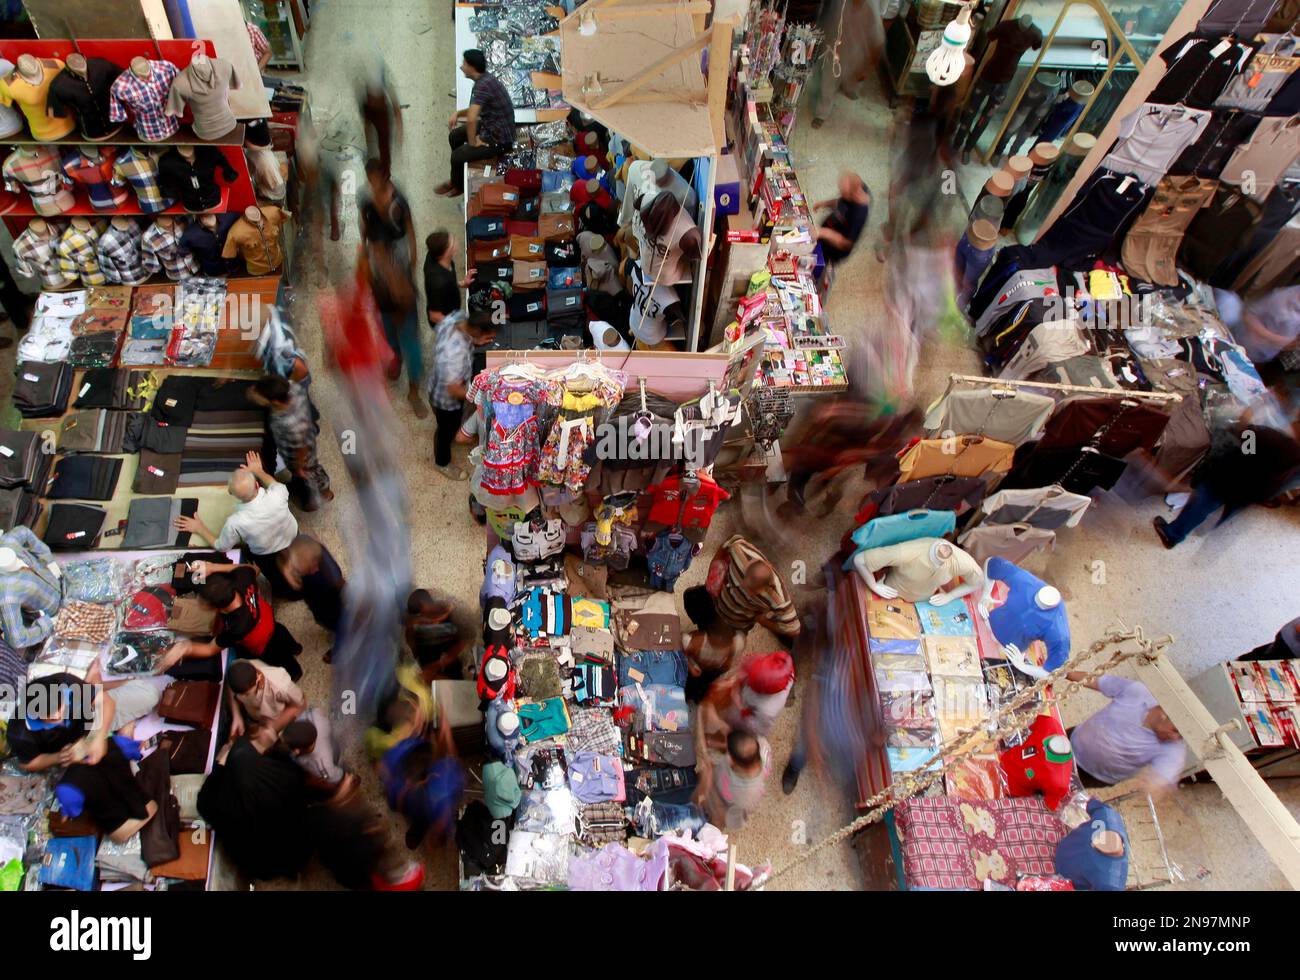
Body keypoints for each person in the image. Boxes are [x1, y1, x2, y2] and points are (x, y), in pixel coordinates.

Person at [6, 672, 157, 842]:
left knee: (149, 695)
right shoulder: (19, 731)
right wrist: (59, 757)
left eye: (60, 710)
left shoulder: (66, 684)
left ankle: (112, 715)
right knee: (85, 782)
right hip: (65, 758)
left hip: (93, 727)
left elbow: (105, 702)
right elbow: (29, 763)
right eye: (50, 718)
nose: (58, 718)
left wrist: (97, 738)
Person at [1153, 422, 1300, 548]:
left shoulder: (1279, 442)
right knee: (1221, 505)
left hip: (1231, 479)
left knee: (1202, 501)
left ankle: (1172, 534)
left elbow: (1248, 444)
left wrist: (1246, 422)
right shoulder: (1294, 459)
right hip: (1252, 490)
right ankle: (1208, 524)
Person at [174, 451, 299, 594]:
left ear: (230, 493)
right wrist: (257, 470)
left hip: (267, 557)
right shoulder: (279, 493)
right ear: (257, 485)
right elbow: (272, 483)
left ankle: (287, 593)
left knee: (281, 582)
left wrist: (199, 527)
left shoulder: (236, 522)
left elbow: (222, 546)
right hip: (296, 539)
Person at [359, 159, 426, 417]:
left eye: (377, 177)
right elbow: (364, 228)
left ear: (386, 176)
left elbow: (409, 227)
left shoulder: (399, 201)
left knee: (410, 337)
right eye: (370, 178)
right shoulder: (367, 203)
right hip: (380, 277)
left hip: (398, 267)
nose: (373, 182)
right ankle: (394, 358)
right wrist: (365, 253)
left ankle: (414, 390)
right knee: (386, 328)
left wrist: (412, 257)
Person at [157, 564, 304, 680]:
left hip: (262, 643)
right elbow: (253, 569)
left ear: (218, 608)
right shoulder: (242, 578)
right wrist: (212, 567)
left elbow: (210, 649)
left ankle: (295, 672)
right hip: (267, 617)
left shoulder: (236, 626)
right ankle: (295, 648)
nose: (198, 602)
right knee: (280, 633)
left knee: (280, 657)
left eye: (203, 603)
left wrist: (185, 647)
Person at [1066, 672, 1186, 795]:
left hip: (1091, 775)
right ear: (1165, 713)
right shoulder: (1137, 692)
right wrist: (1063, 673)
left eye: (1181, 737)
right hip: (1071, 741)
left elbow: (1162, 778)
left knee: (1056, 787)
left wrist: (1154, 784)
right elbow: (1098, 681)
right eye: (1175, 730)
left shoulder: (1174, 750)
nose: (1175, 738)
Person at [379, 708, 466, 850]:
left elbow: (383, 766)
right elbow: (452, 760)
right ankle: (416, 836)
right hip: (422, 810)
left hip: (410, 804)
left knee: (417, 821)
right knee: (421, 822)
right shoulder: (441, 791)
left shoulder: (401, 766)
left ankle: (415, 836)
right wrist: (446, 734)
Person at [436, 49, 517, 198]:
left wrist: (473, 142)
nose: (461, 67)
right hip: (491, 125)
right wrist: (458, 113)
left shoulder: (482, 86)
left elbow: (473, 118)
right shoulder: (484, 80)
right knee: (455, 136)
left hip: (500, 139)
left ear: (472, 67)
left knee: (457, 157)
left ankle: (458, 185)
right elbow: (475, 109)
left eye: (464, 64)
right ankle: (457, 177)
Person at [249, 375, 333, 511]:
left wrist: (298, 466)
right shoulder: (292, 387)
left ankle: (324, 493)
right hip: (300, 440)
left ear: (275, 401)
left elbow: (302, 448)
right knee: (303, 474)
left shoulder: (290, 424)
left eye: (261, 396)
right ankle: (307, 485)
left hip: (300, 455)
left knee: (311, 472)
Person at [429, 308, 495, 480]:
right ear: (477, 332)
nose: (490, 341)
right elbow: (453, 389)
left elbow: (435, 315)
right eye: (488, 338)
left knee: (451, 422)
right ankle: (442, 462)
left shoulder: (457, 318)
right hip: (446, 401)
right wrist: (478, 394)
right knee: (446, 429)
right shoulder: (455, 355)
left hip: (437, 380)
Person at [712, 534, 802, 643]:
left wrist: (763, 621)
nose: (743, 588)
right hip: (716, 601)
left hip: (736, 624)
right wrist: (714, 566)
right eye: (743, 581)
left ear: (765, 589)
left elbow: (794, 629)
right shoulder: (740, 551)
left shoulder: (778, 597)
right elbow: (730, 541)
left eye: (750, 590)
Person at [694, 729, 771, 833]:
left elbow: (723, 816)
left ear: (732, 761)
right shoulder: (762, 745)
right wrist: (718, 745)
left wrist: (705, 786)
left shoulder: (747, 796)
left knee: (714, 823)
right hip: (719, 781)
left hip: (722, 805)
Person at [279, 533, 346, 649]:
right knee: (323, 621)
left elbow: (344, 588)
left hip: (334, 609)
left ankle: (339, 648)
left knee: (341, 629)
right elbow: (282, 557)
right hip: (317, 605)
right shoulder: (297, 560)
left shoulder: (331, 574)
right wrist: (286, 570)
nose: (315, 569)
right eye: (307, 569)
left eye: (315, 562)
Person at [225, 658, 305, 749]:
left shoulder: (281, 685)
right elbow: (230, 687)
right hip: (255, 717)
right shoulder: (238, 668)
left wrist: (273, 727)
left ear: (258, 678)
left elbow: (300, 703)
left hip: (275, 718)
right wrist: (237, 716)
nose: (242, 697)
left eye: (246, 694)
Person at [682, 585, 745, 702]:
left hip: (696, 671)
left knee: (690, 684)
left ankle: (687, 694)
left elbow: (683, 650)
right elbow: (728, 665)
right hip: (714, 671)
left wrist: (691, 666)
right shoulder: (736, 641)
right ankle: (699, 696)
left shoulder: (695, 641)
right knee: (704, 683)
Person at [1053, 797, 1130, 891]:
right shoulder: (1107, 817)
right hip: (1061, 844)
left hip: (1065, 879)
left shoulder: (1112, 880)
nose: (1092, 843)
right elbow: (1088, 801)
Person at [282, 711, 359, 804]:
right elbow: (317, 712)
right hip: (331, 743)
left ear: (296, 750)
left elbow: (336, 777)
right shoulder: (313, 717)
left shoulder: (321, 765)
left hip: (333, 759)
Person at [813, 171, 871, 266]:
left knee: (820, 265)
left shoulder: (858, 215)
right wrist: (824, 204)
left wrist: (823, 233)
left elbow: (846, 243)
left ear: (854, 194)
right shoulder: (859, 190)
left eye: (843, 193)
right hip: (824, 235)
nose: (840, 194)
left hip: (832, 251)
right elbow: (840, 201)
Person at [423, 229, 473, 329]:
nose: (456, 243)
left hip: (453, 310)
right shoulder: (436, 282)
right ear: (444, 253)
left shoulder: (440, 257)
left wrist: (462, 283)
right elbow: (434, 316)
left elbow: (448, 284)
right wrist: (459, 327)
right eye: (452, 243)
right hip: (445, 321)